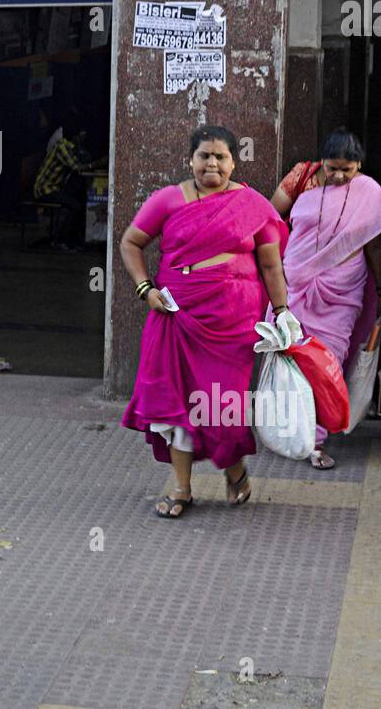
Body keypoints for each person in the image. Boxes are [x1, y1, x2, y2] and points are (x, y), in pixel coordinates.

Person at [120, 124, 295, 518]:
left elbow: (271, 264)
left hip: (233, 320)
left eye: (220, 156)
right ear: (190, 160)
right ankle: (181, 489)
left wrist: (283, 312)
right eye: (204, 156)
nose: (211, 163)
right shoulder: (168, 199)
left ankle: (234, 470)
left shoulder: (253, 207)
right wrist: (145, 289)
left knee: (220, 408)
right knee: (174, 402)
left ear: (234, 161)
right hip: (175, 316)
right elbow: (131, 242)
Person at [271, 128, 381, 469]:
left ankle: (315, 440)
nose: (338, 176)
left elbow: (373, 245)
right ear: (322, 161)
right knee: (296, 357)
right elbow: (271, 220)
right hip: (296, 284)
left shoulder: (370, 192)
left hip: (343, 291)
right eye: (332, 168)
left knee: (328, 360)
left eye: (347, 170)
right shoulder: (301, 178)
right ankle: (289, 428)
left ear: (359, 165)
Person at [33, 108, 90, 249]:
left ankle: (68, 236)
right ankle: (62, 240)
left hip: (54, 188)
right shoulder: (62, 147)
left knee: (77, 198)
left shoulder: (68, 146)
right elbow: (77, 167)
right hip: (45, 190)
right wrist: (96, 163)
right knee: (76, 207)